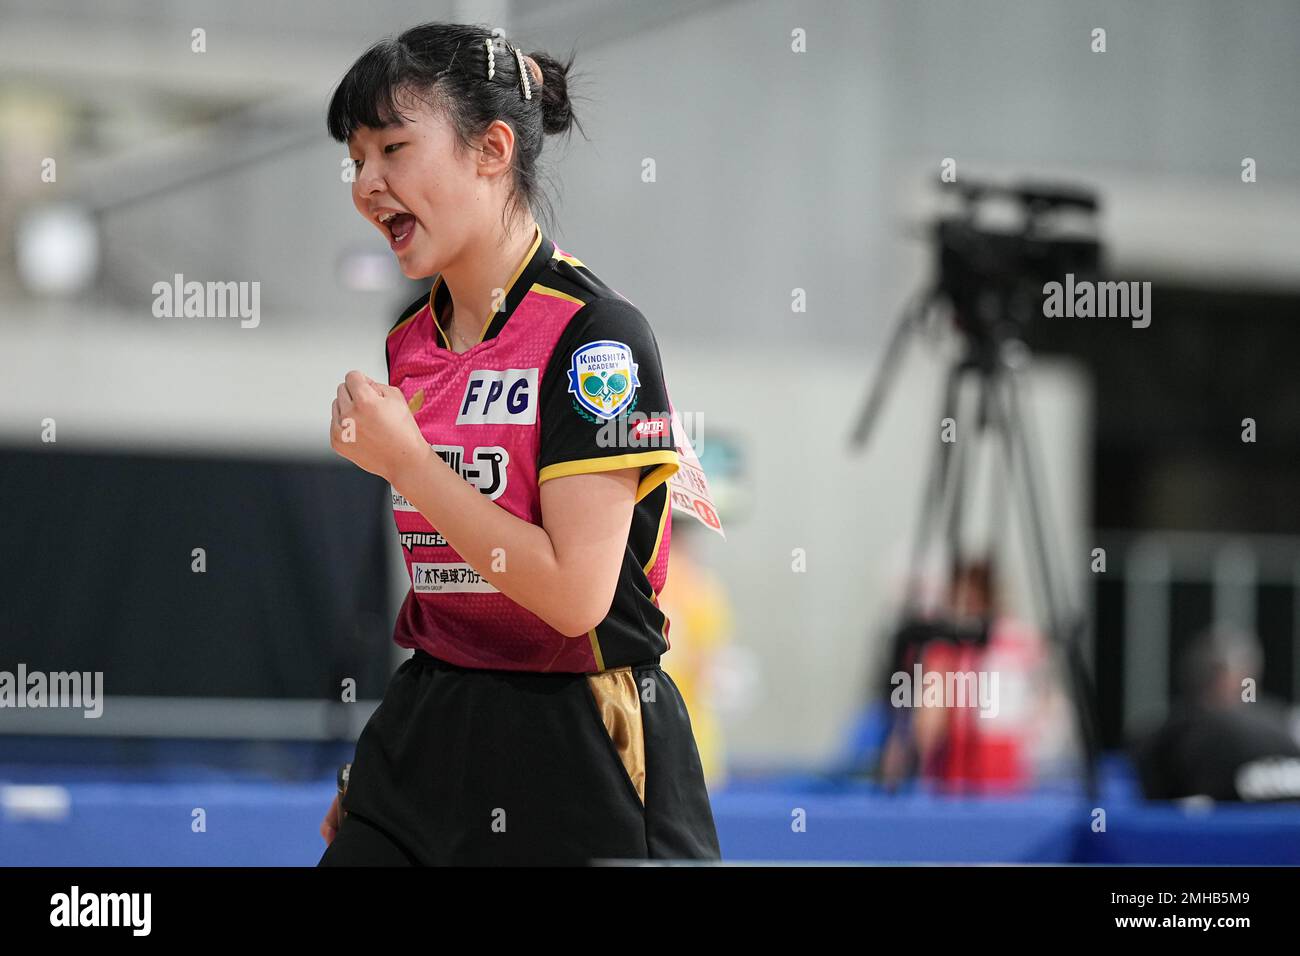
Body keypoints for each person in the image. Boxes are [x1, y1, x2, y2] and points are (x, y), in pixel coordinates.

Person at [316, 22, 720, 864]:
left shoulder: (597, 340)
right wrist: (391, 761)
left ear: (492, 149)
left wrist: (407, 465)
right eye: (356, 160)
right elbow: (449, 589)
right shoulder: (408, 342)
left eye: (393, 148)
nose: (368, 183)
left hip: (579, 741)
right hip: (431, 728)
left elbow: (575, 598)